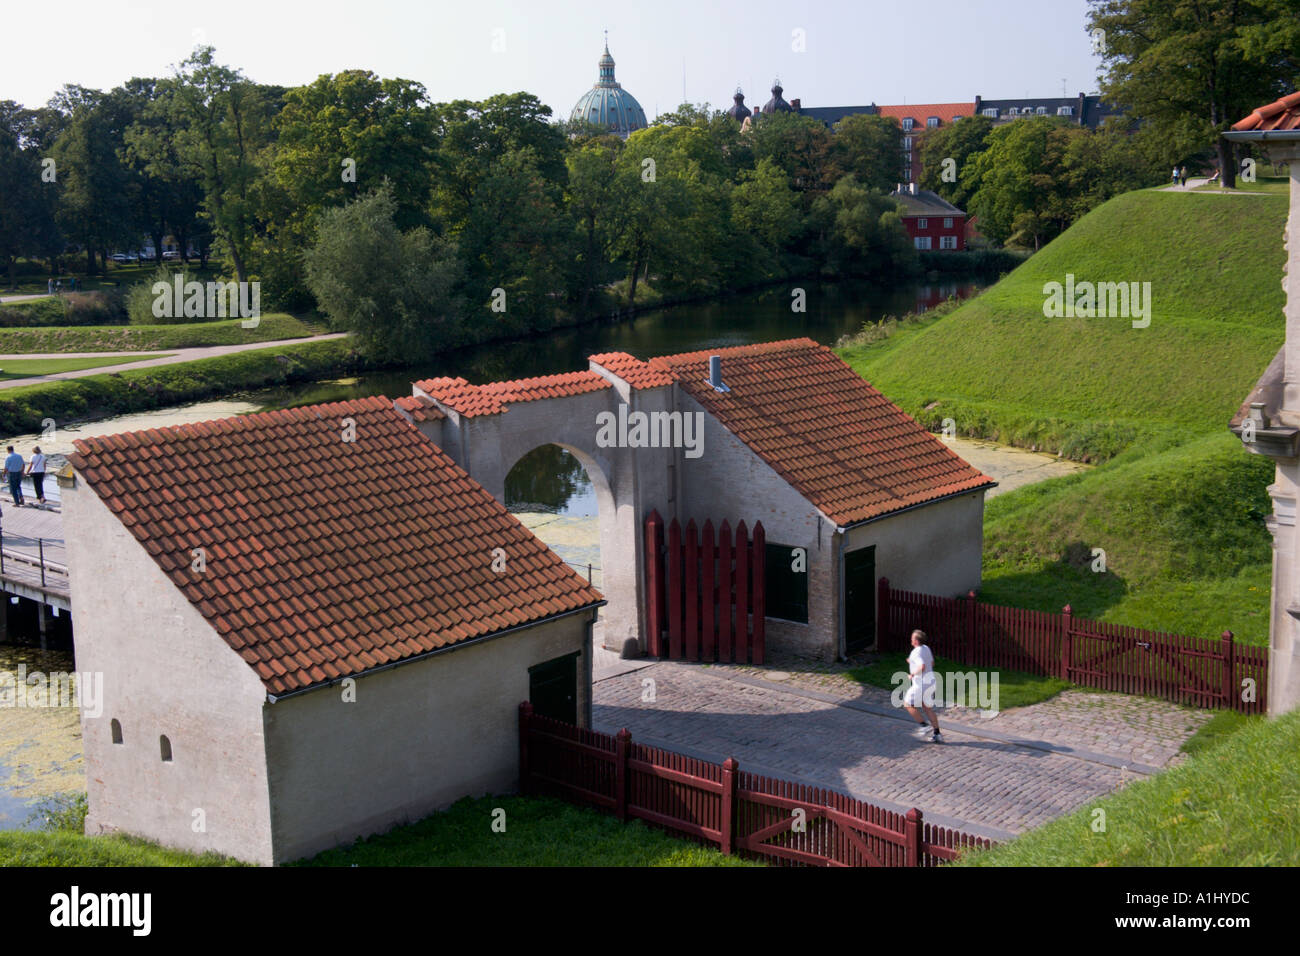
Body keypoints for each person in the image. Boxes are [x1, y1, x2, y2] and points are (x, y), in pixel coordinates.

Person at [903, 629, 942, 743]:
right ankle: (937, 734)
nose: (911, 639)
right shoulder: (926, 648)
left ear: (915, 640)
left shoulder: (916, 652)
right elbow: (931, 663)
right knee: (927, 707)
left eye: (912, 637)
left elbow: (922, 666)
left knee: (908, 704)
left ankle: (924, 725)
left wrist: (912, 674)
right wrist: (912, 662)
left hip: (920, 684)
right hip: (930, 682)